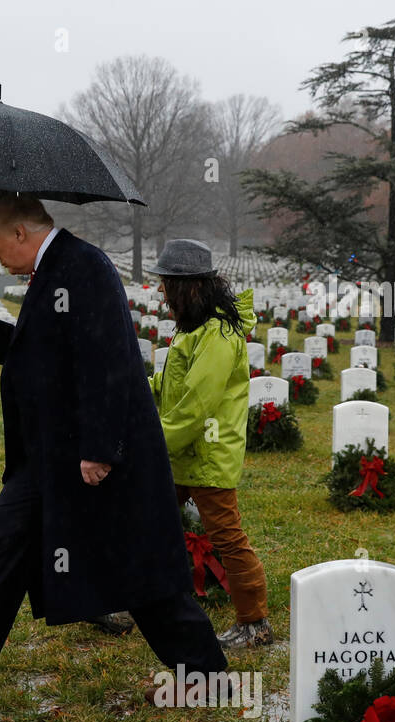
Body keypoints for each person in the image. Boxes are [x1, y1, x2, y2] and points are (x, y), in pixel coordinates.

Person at [0, 195, 228, 703]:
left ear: (21, 234)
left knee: (139, 564)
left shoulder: (83, 267)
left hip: (92, 450)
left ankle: (206, 676)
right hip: (49, 455)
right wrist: (1, 338)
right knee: (3, 539)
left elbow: (108, 360)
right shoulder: (54, 269)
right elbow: (54, 351)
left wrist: (100, 446)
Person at [147, 239, 272, 648]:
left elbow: (197, 404)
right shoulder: (196, 328)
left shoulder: (217, 334)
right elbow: (172, 388)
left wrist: (152, 440)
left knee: (227, 537)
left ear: (191, 287)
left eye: (167, 285)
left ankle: (254, 623)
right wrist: (134, 390)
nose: (163, 294)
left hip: (206, 454)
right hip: (185, 453)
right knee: (146, 521)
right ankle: (140, 599)